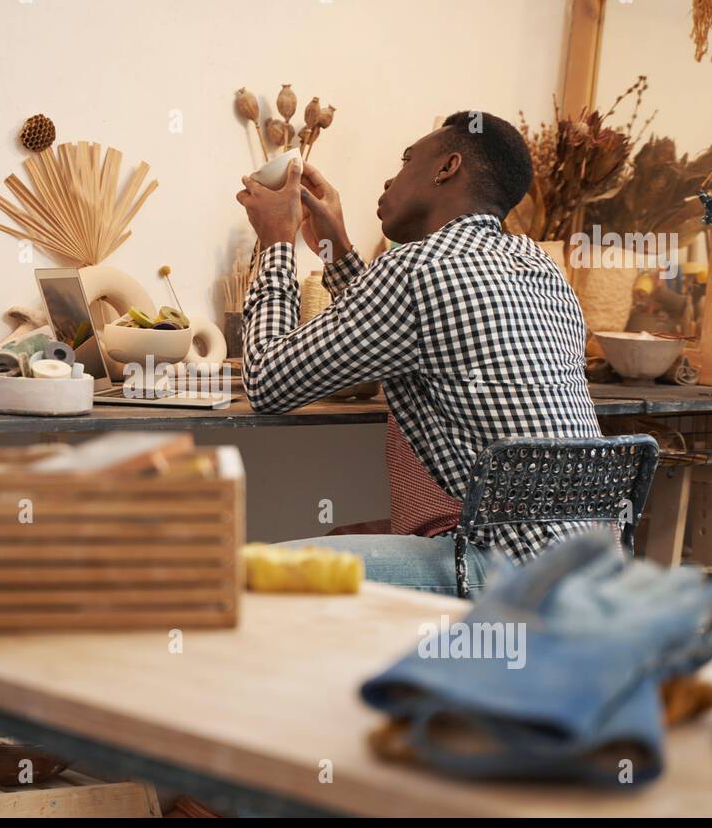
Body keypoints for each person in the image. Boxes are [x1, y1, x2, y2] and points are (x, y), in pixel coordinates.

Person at [235, 111, 599, 593]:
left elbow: (265, 380)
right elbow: (401, 327)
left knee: (244, 576)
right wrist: (335, 249)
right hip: (588, 567)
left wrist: (277, 242)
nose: (390, 177)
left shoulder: (415, 267)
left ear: (446, 168)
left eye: (407, 161)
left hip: (502, 572)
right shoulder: (539, 265)